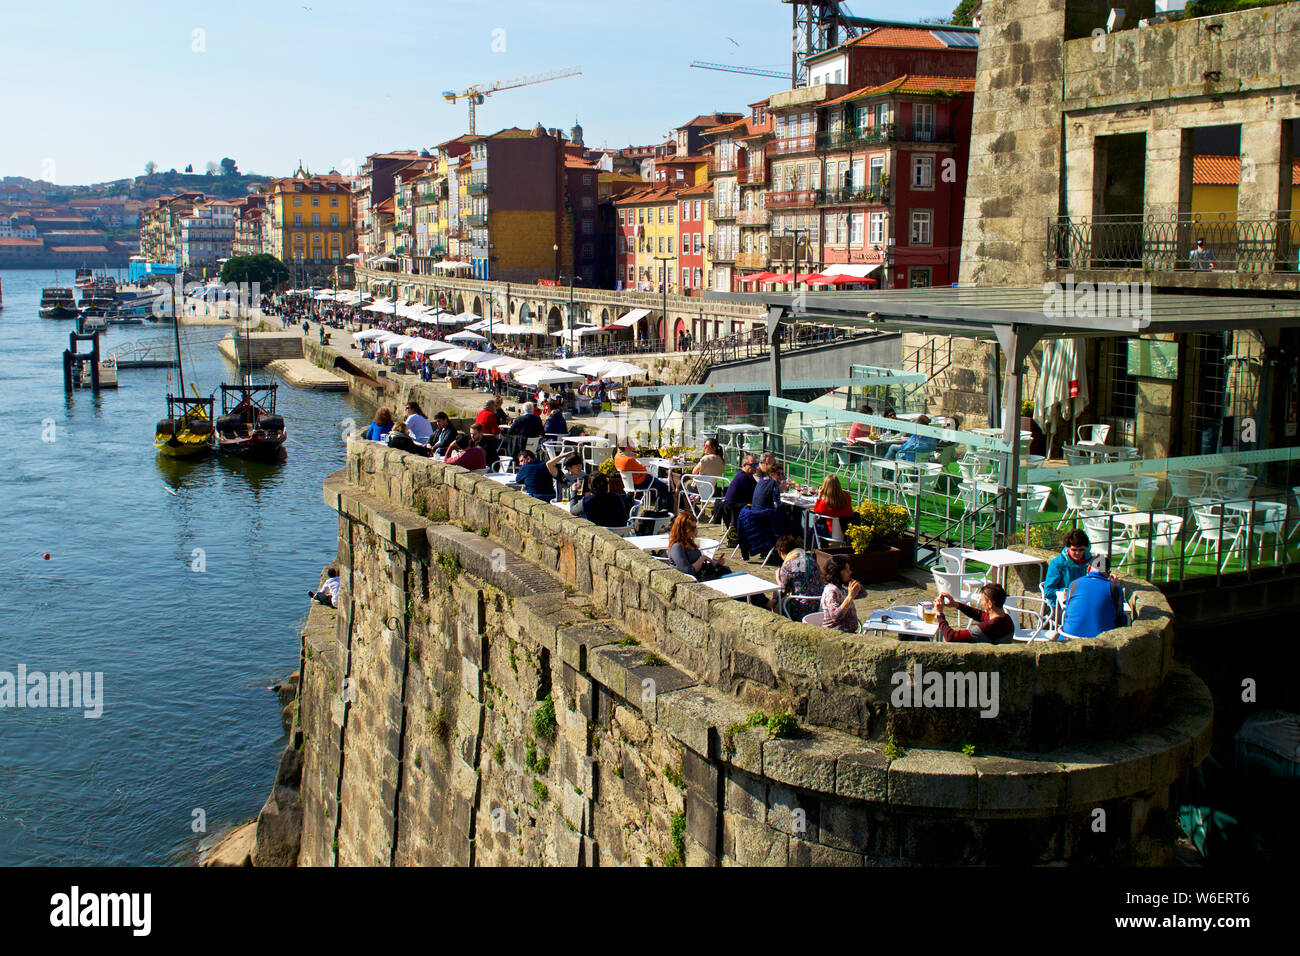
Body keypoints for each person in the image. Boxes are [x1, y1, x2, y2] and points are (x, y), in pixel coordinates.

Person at [1059, 558, 1128, 639]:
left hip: (1068, 637)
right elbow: (1120, 618)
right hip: (1101, 642)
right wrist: (1116, 586)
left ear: (1088, 568)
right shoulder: (1114, 588)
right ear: (1108, 573)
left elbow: (1067, 610)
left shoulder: (1074, 583)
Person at [935, 583, 1013, 643]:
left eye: (982, 600)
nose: (981, 603)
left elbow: (951, 637)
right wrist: (955, 604)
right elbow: (980, 615)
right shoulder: (1007, 619)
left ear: (990, 604)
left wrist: (939, 614)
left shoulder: (988, 627)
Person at [667, 512, 731, 581]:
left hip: (703, 576)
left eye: (695, 527)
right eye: (692, 528)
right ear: (683, 529)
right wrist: (702, 559)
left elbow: (700, 566)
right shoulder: (677, 547)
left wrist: (716, 564)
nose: (695, 530)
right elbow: (688, 571)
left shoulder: (689, 541)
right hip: (696, 580)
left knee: (727, 572)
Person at [776, 534, 821, 620]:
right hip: (819, 603)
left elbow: (783, 589)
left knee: (777, 602)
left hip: (802, 606)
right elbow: (800, 577)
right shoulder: (809, 559)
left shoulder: (789, 565)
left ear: (781, 553)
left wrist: (778, 578)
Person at [1043, 528, 1092, 607]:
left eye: (1081, 550)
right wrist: (1070, 592)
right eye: (1074, 550)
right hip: (1061, 605)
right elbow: (1048, 591)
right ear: (1068, 548)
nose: (1078, 553)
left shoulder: (1091, 561)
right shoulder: (1057, 563)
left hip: (1084, 603)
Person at [614, 437, 670, 503]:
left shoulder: (617, 457)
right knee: (666, 488)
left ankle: (659, 508)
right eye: (631, 442)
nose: (633, 443)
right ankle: (666, 509)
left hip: (629, 483)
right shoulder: (629, 460)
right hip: (640, 482)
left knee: (660, 484)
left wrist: (631, 456)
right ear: (626, 445)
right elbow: (644, 470)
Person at [820, 554, 862, 632]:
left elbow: (863, 595)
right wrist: (850, 597)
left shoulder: (842, 586)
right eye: (846, 570)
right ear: (837, 573)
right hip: (836, 633)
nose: (850, 572)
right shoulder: (831, 591)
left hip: (849, 631)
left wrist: (856, 589)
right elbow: (836, 616)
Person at [718, 454, 759, 528]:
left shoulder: (748, 476)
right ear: (744, 465)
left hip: (740, 508)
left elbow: (757, 490)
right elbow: (754, 495)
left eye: (756, 464)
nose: (755, 467)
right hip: (734, 510)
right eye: (752, 464)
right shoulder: (742, 477)